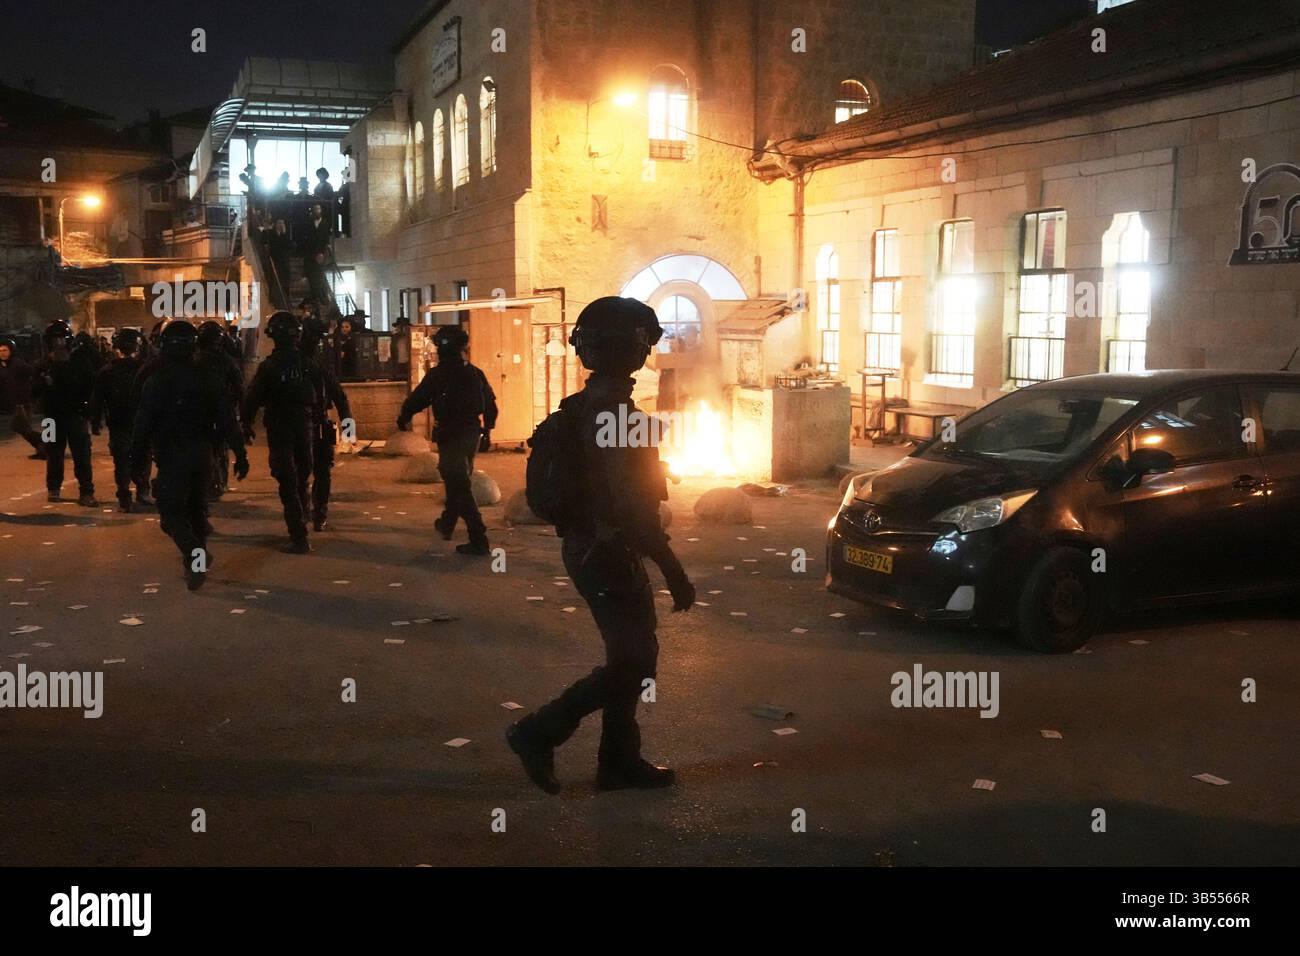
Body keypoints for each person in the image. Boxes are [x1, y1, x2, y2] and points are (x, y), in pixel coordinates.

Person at [507, 296, 695, 793]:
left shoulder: (591, 402)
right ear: (630, 347)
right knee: (634, 660)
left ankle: (618, 761)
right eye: (642, 342)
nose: (646, 353)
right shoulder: (613, 411)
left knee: (630, 657)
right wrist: (672, 567)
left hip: (595, 547)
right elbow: (628, 502)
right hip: (607, 551)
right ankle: (539, 732)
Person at [131, 321, 248, 591]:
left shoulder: (157, 379)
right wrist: (239, 453)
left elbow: (142, 423)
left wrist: (136, 461)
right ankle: (195, 567)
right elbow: (227, 418)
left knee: (171, 515)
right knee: (196, 512)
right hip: (202, 454)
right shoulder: (207, 375)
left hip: (172, 456)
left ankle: (195, 554)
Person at [396, 324, 497, 556]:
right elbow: (491, 405)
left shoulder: (440, 374)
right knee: (457, 480)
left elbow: (417, 399)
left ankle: (478, 536)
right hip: (471, 432)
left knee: (458, 484)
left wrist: (404, 417)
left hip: (451, 434)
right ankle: (447, 523)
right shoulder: (474, 372)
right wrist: (488, 432)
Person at [242, 310, 320, 554]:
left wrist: (245, 425)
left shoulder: (269, 366)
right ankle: (303, 515)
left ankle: (298, 535)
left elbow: (252, 399)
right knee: (301, 475)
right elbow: (322, 395)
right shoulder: (307, 364)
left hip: (280, 428)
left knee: (287, 480)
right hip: (304, 427)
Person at [30, 320, 98, 506]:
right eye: (54, 340)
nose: (58, 343)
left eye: (61, 339)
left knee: (82, 454)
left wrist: (89, 411)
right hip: (51, 417)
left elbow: (90, 385)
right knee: (53, 454)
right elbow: (32, 391)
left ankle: (86, 491)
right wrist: (45, 381)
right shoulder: (43, 364)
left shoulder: (79, 362)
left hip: (75, 415)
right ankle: (53, 488)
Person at [89, 327, 151, 512]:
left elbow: (97, 398)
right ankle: (136, 491)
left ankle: (129, 494)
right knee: (138, 457)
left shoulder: (109, 370)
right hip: (131, 421)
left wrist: (95, 420)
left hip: (126, 421)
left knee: (125, 460)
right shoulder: (140, 369)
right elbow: (98, 397)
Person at [301, 315, 352, 532]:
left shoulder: (287, 364)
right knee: (320, 472)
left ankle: (305, 511)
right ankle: (317, 512)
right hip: (316, 426)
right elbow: (341, 399)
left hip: (300, 427)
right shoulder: (320, 367)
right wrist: (349, 432)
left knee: (301, 472)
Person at [196, 320, 245, 499]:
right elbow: (240, 388)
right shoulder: (226, 361)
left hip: (201, 413)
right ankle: (218, 482)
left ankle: (212, 483)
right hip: (221, 411)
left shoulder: (193, 360)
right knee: (220, 447)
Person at [0, 335, 44, 459]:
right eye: (0, 351)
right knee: (24, 428)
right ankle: (42, 448)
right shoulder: (3, 366)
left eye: (5, 350)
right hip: (14, 402)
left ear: (11, 351)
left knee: (18, 426)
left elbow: (33, 373)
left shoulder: (17, 364)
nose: (2, 353)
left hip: (23, 402)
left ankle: (44, 444)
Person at [301, 203, 332, 307]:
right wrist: (313, 254)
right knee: (312, 277)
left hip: (321, 254)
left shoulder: (325, 224)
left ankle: (321, 298)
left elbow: (325, 239)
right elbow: (307, 241)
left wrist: (322, 253)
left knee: (319, 276)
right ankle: (316, 298)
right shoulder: (309, 223)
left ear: (320, 211)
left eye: (318, 209)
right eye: (315, 209)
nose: (316, 211)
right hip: (311, 254)